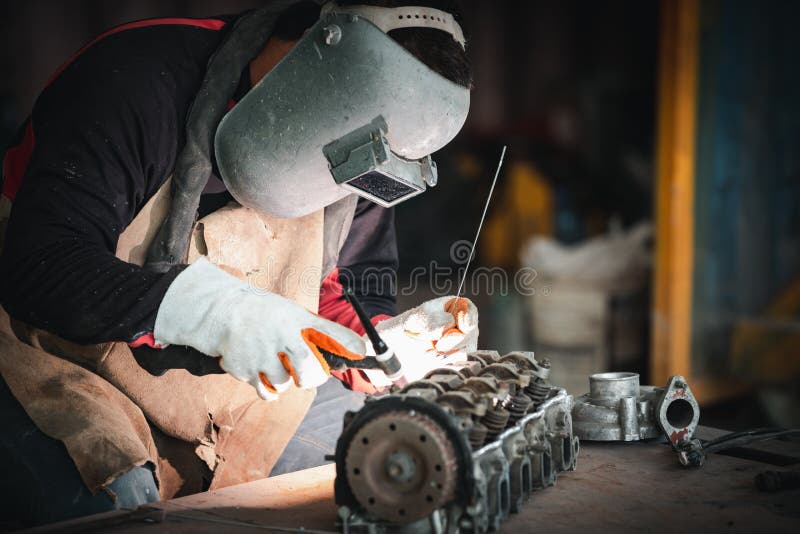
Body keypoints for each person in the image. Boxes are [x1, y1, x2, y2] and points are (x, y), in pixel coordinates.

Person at [0, 0, 478, 527]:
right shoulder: (137, 79)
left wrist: (382, 344)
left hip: (231, 389)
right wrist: (219, 314)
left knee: (378, 454)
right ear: (320, 49)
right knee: (120, 506)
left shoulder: (361, 145)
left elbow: (345, 291)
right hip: (52, 355)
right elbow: (40, 267)